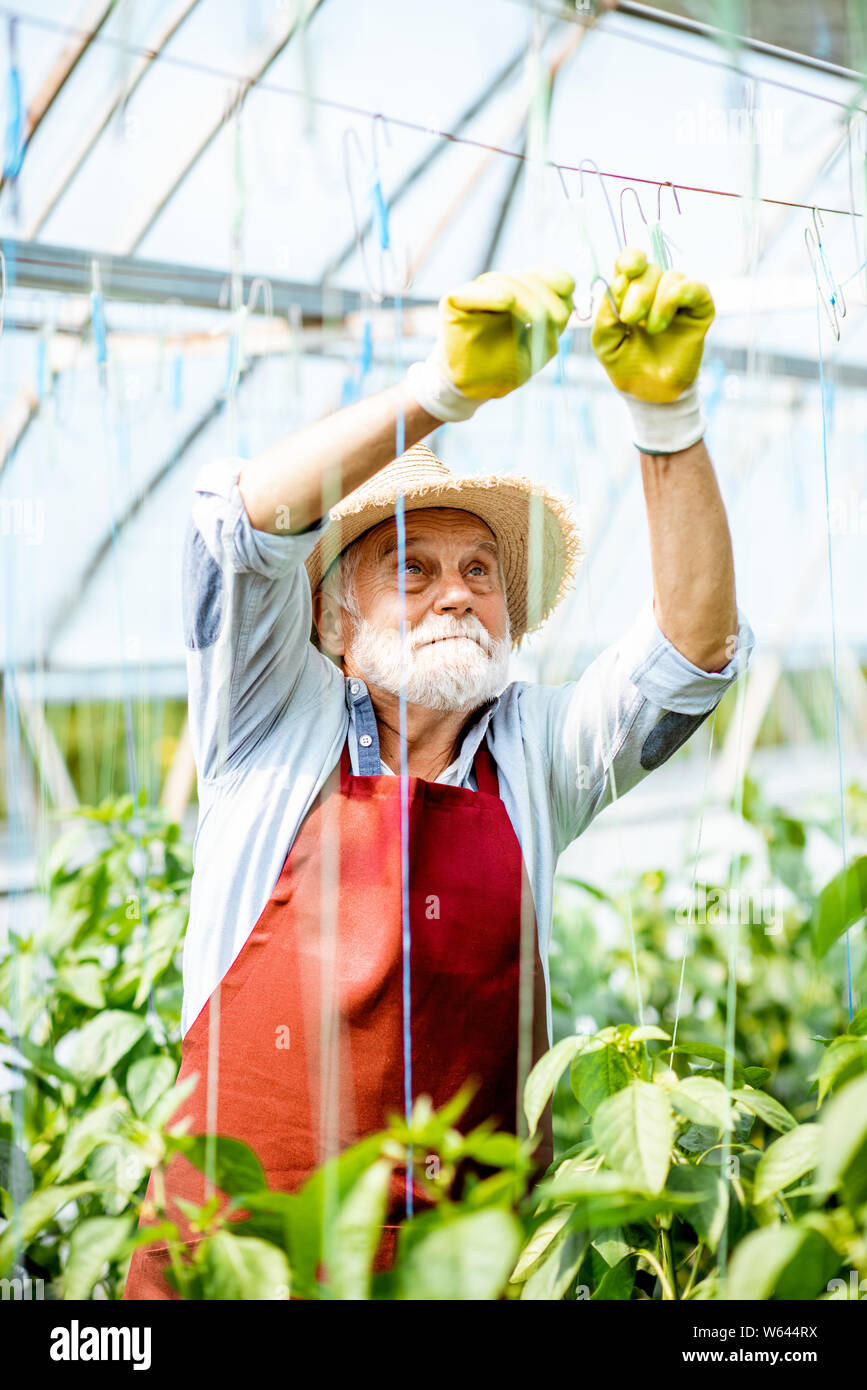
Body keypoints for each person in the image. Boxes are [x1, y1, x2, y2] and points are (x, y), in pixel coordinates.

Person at [124, 251, 755, 1298]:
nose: (455, 594)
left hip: (455, 1267)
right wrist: (439, 392)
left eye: (479, 574)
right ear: (333, 617)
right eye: (409, 567)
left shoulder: (534, 754)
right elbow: (236, 530)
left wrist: (669, 419)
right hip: (236, 1262)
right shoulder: (268, 721)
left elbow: (691, 658)